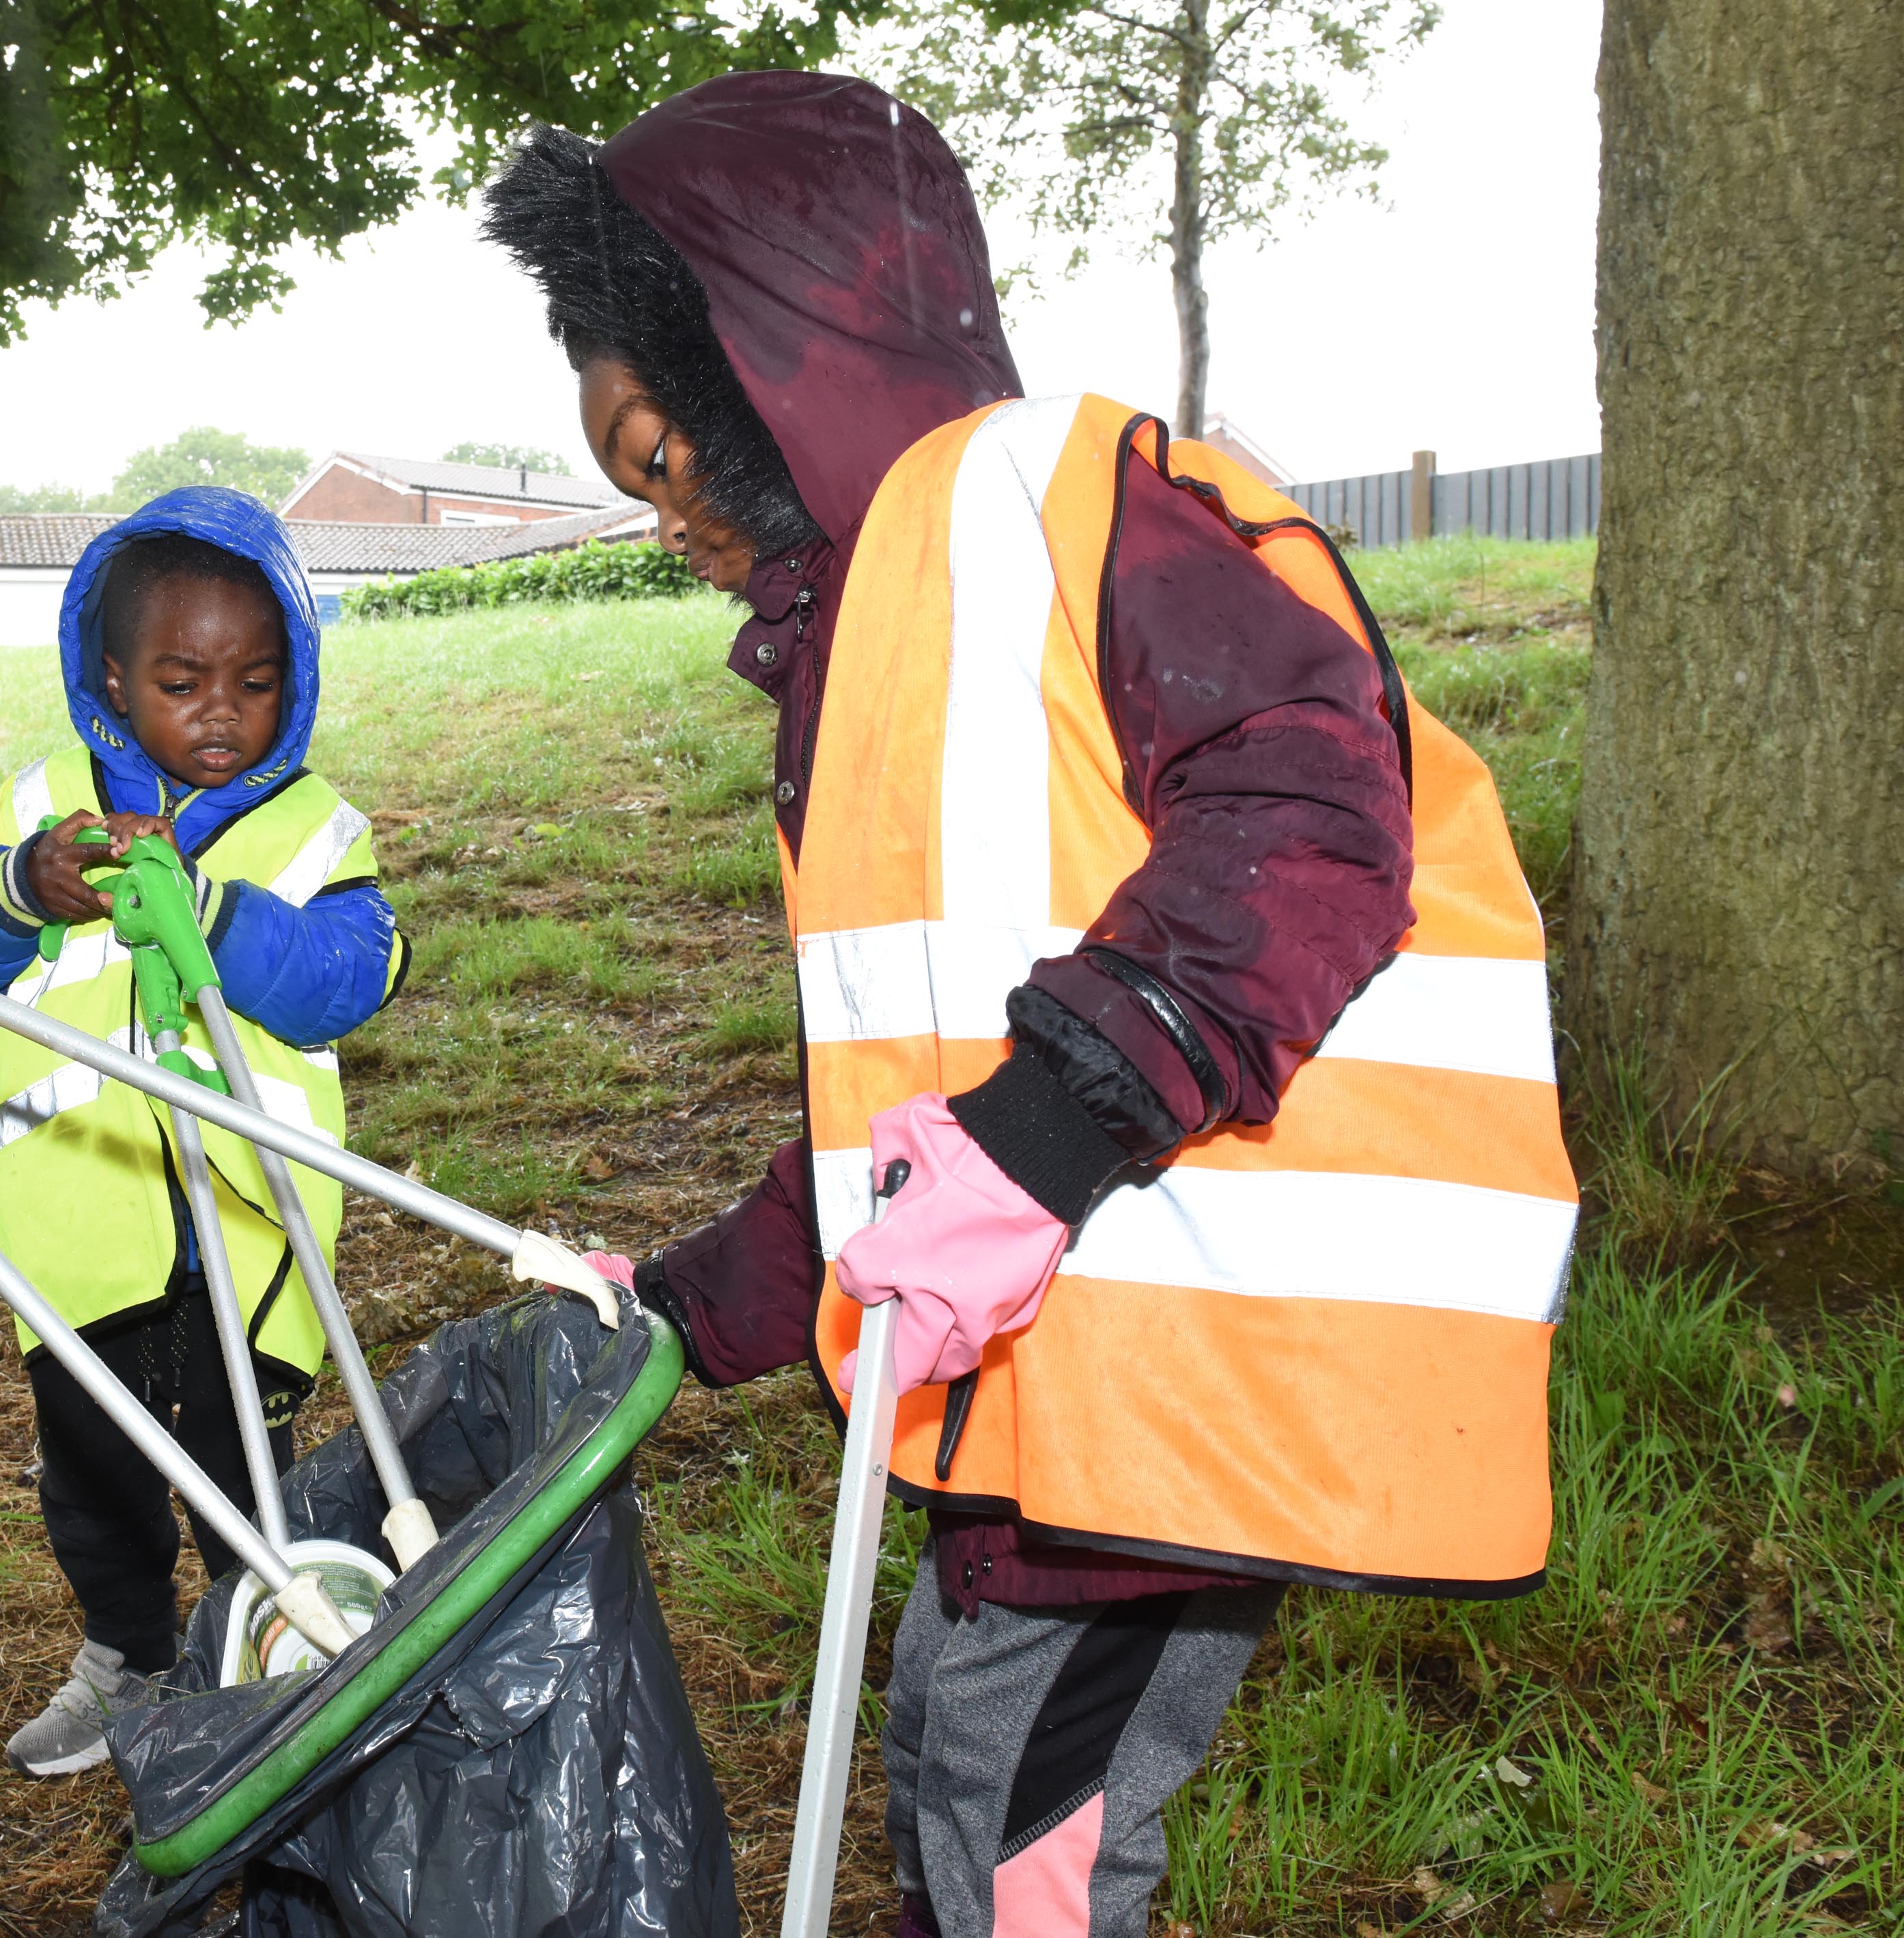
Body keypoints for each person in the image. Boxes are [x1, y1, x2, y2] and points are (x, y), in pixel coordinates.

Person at [484, 75, 1573, 1938]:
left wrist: (1048, 1126)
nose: (659, 519)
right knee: (952, 1752)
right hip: (1053, 1404)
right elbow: (893, 1147)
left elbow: (1307, 813)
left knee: (1012, 1826)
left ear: (772, 350)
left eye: (658, 451)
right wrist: (665, 1307)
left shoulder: (1066, 505)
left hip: (1190, 1385)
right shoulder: (872, 648)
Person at [0, 488, 407, 1778]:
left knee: (246, 1459)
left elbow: (351, 971)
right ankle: (121, 1653)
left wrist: (213, 910)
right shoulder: (42, 801)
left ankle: (270, 1644)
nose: (220, 712)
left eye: (255, 680)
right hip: (78, 1220)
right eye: (182, 680)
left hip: (249, 1226)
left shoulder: (312, 826)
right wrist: (18, 882)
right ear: (113, 678)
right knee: (93, 1458)